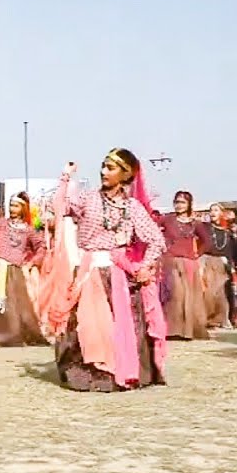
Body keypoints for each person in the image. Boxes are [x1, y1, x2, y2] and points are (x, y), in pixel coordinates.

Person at [42, 152, 167, 392]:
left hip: (119, 275)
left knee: (120, 326)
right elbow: (59, 208)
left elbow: (156, 240)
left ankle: (122, 372)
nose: (103, 172)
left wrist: (145, 266)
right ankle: (89, 374)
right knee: (87, 326)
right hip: (88, 272)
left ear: (125, 174)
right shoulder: (88, 198)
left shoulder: (132, 207)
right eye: (103, 166)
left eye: (110, 168)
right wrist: (65, 178)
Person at [0, 191, 46, 346]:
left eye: (16, 206)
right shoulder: (2, 223)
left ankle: (15, 334)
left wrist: (32, 263)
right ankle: (2, 335)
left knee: (16, 304)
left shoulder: (28, 230)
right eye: (11, 205)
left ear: (23, 208)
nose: (12, 209)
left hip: (15, 269)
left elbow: (41, 247)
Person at [159, 190, 212, 340]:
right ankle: (171, 330)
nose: (179, 205)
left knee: (188, 297)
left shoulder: (195, 223)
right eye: (177, 202)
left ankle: (187, 331)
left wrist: (197, 254)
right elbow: (152, 231)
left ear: (189, 204)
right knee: (175, 294)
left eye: (182, 202)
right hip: (170, 261)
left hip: (189, 263)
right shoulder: (167, 219)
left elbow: (207, 242)